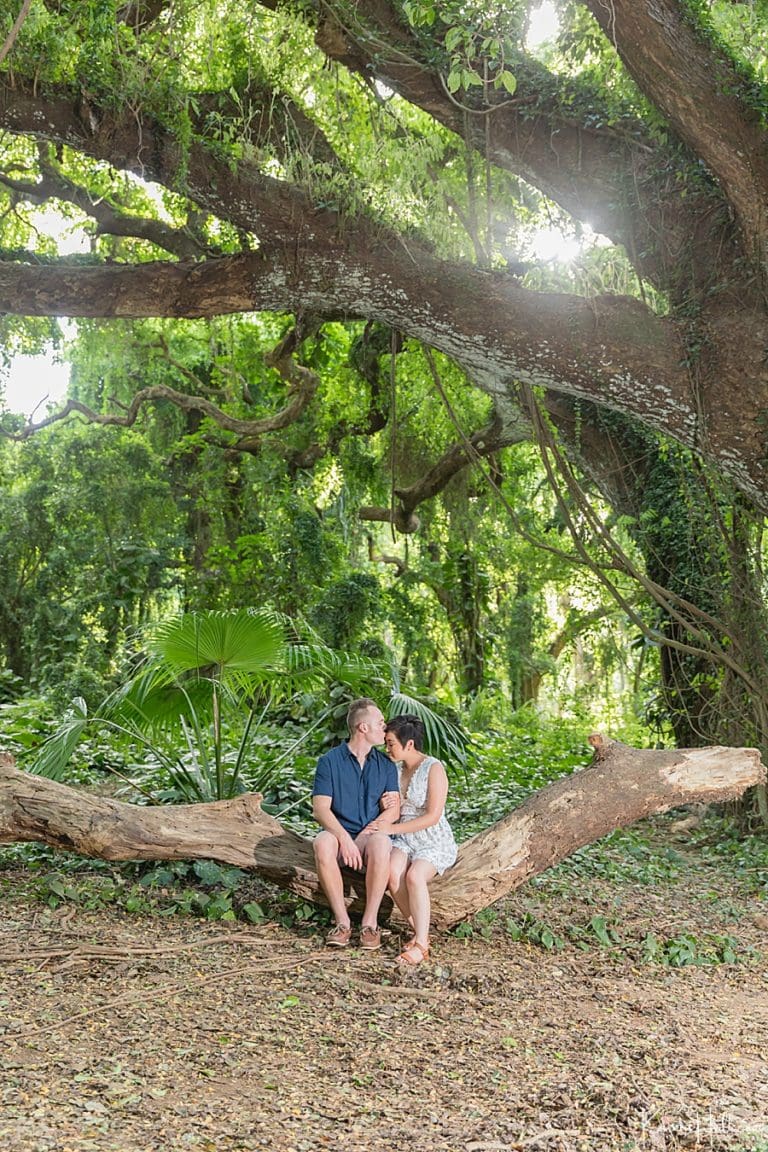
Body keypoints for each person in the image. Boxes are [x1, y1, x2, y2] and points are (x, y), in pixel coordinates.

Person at [312, 698, 400, 949]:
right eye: (381, 723)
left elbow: (393, 811)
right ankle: (342, 923)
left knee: (382, 843)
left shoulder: (385, 764)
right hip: (339, 834)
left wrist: (363, 836)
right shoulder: (329, 761)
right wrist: (344, 840)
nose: (386, 728)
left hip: (371, 836)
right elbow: (320, 810)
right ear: (363, 727)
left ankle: (369, 923)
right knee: (322, 843)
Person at [373, 714, 457, 966]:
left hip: (432, 838)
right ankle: (422, 934)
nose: (387, 748)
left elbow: (433, 816)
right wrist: (386, 806)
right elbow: (395, 807)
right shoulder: (394, 769)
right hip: (404, 837)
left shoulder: (434, 768)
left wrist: (389, 828)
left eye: (391, 743)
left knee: (414, 876)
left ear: (409, 744)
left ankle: (420, 943)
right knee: (391, 872)